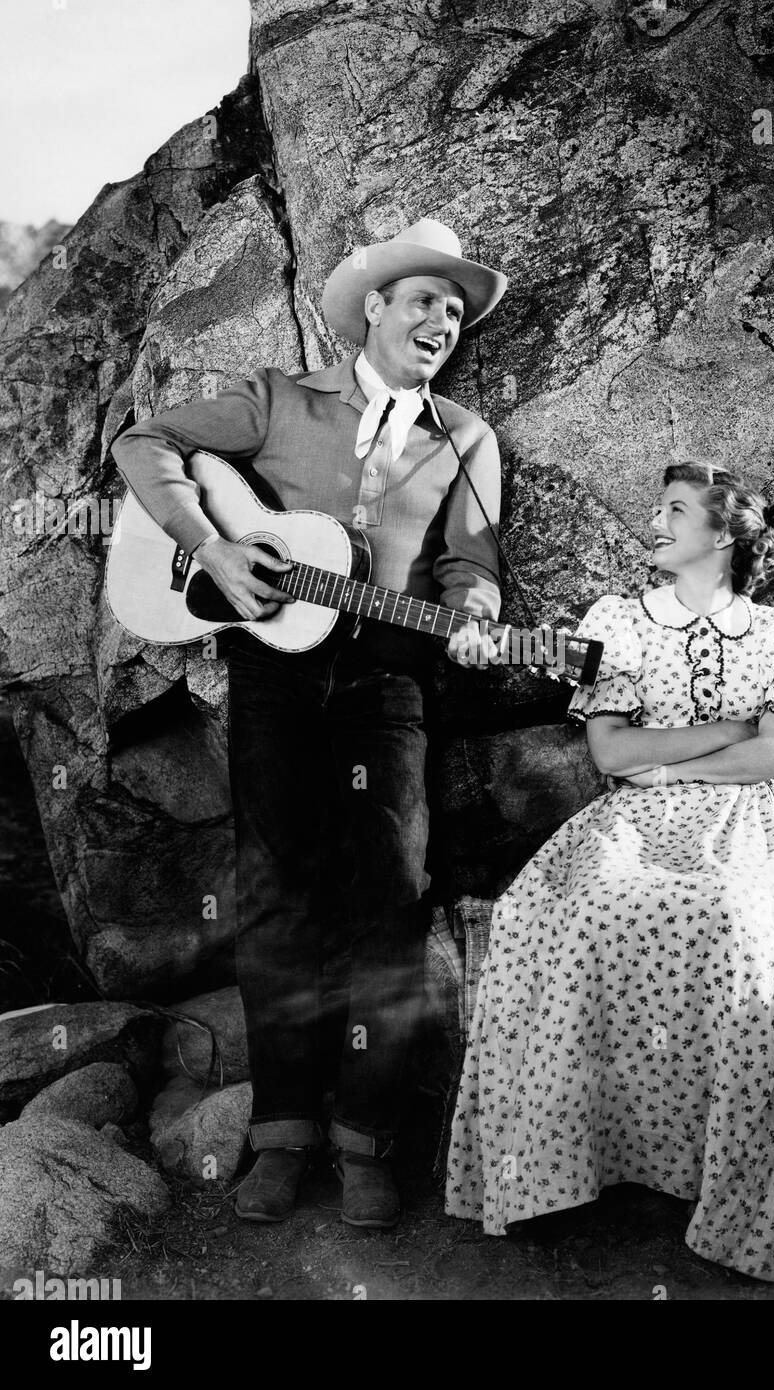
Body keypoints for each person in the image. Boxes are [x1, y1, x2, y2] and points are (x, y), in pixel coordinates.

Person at [445, 460, 774, 1281]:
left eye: (675, 509)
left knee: (746, 925)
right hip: (633, 819)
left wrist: (681, 759)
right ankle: (566, 1167)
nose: (654, 522)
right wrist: (718, 733)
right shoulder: (620, 623)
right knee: (579, 910)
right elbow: (611, 751)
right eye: (655, 506)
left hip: (751, 824)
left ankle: (723, 1172)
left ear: (724, 534)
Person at [112, 219, 507, 1229]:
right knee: (275, 887)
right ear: (373, 306)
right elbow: (145, 442)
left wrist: (475, 619)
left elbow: (470, 565)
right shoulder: (277, 398)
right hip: (273, 672)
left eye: (454, 311)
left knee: (393, 895)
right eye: (423, 299)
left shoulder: (462, 438)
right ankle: (281, 1133)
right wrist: (214, 547)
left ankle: (366, 1141)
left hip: (389, 678)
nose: (440, 321)